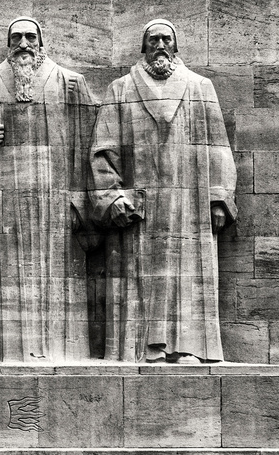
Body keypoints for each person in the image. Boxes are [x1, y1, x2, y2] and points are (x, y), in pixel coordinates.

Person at [90, 19, 236, 363]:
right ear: (144, 47)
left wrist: (219, 197)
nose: (160, 45)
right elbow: (103, 150)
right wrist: (113, 196)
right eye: (153, 40)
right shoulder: (121, 89)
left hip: (190, 201)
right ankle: (140, 349)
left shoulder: (200, 87)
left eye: (166, 39)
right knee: (139, 272)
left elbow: (218, 147)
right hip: (140, 204)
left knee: (188, 273)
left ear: (175, 45)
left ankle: (188, 348)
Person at [0, 17, 97, 362]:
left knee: (59, 276)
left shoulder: (70, 84)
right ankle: (4, 352)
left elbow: (89, 145)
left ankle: (61, 351)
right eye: (16, 37)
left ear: (41, 42)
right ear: (8, 44)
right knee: (3, 276)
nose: (23, 43)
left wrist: (80, 200)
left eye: (30, 37)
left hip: (55, 201)